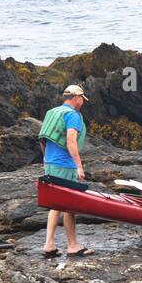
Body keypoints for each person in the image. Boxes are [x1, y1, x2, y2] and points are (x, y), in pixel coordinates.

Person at [38, 84, 94, 257]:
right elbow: (71, 140)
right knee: (66, 205)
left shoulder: (52, 112)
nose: (82, 103)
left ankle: (52, 244)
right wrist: (78, 165)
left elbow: (42, 140)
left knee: (57, 204)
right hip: (64, 164)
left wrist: (46, 159)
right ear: (76, 98)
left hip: (50, 162)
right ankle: (70, 245)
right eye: (82, 99)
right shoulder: (72, 115)